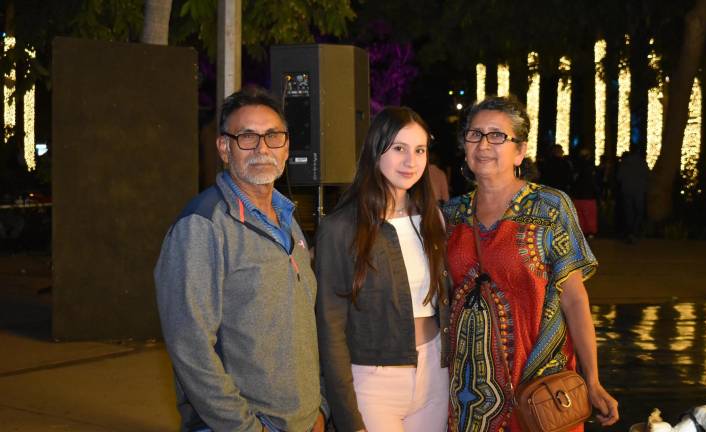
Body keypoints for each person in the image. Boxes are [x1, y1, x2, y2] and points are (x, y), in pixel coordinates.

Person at [154, 87, 327, 432]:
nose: (263, 149)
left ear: (287, 146)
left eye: (273, 136)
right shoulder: (202, 226)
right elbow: (191, 348)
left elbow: (303, 325)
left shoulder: (288, 220)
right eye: (247, 137)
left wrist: (318, 406)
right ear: (224, 148)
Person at [443, 96, 619, 431]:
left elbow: (575, 299)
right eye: (475, 134)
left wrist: (592, 380)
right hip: (467, 394)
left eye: (497, 136)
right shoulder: (450, 215)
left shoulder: (550, 208)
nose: (483, 145)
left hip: (538, 389)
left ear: (520, 151)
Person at [315, 106, 451, 432]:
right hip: (373, 382)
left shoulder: (433, 219)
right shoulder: (341, 227)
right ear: (376, 150)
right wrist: (346, 414)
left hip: (434, 371)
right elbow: (330, 328)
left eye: (419, 150)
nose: (411, 161)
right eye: (399, 149)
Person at [616, 149, 649, 243]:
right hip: (639, 190)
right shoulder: (642, 163)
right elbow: (647, 175)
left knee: (628, 211)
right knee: (639, 211)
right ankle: (634, 231)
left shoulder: (624, 163)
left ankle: (630, 231)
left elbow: (619, 177)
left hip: (626, 190)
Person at [572, 147, 599, 238]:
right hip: (588, 194)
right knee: (589, 214)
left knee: (580, 214)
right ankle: (590, 232)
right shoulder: (590, 167)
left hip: (578, 194)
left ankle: (581, 230)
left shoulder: (576, 166)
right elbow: (593, 182)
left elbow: (573, 180)